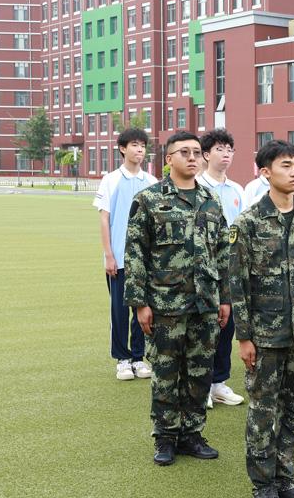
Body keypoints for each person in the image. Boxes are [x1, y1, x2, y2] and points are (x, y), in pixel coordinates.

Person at [230, 140, 294, 498]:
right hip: (265, 336)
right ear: (265, 172)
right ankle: (262, 486)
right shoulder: (248, 223)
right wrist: (244, 336)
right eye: (286, 165)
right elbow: (237, 283)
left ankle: (286, 479)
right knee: (262, 410)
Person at [124, 131, 230, 466]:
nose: (193, 157)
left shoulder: (211, 200)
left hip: (205, 303)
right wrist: (140, 303)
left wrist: (225, 298)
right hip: (165, 305)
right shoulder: (149, 199)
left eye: (197, 152)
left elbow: (222, 253)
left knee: (199, 372)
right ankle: (166, 436)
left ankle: (192, 434)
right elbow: (135, 253)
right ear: (168, 159)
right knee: (166, 373)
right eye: (184, 152)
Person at [94, 127, 157, 380]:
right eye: (134, 145)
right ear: (122, 148)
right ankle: (122, 359)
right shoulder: (111, 180)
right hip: (119, 258)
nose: (139, 150)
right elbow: (104, 219)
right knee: (119, 311)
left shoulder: (151, 182)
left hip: (146, 260)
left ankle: (138, 357)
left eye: (142, 145)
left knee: (142, 309)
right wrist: (109, 255)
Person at [198, 130, 246, 409]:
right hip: (205, 268)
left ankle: (218, 383)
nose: (226, 154)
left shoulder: (237, 190)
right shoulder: (198, 187)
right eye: (219, 149)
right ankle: (201, 385)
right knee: (204, 327)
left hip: (232, 268)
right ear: (206, 154)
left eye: (230, 149)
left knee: (227, 327)